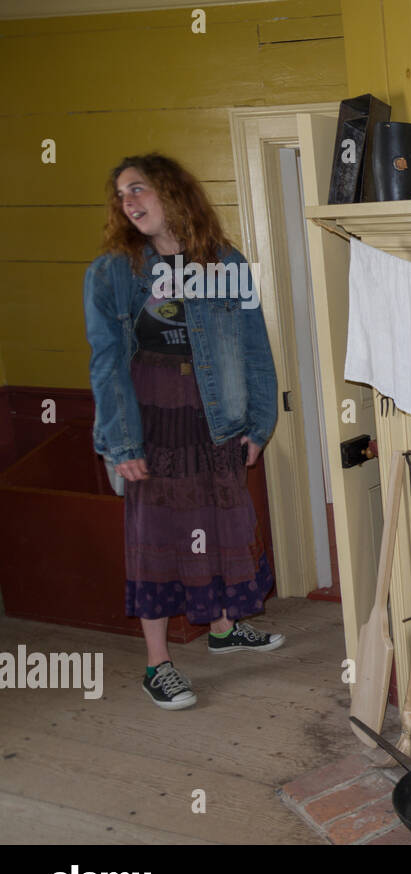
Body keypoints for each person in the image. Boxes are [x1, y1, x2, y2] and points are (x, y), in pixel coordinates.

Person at [84, 153, 284, 710]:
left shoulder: (225, 262)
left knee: (220, 518)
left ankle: (223, 629)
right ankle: (158, 664)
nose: (129, 202)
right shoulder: (112, 271)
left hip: (217, 413)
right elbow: (105, 363)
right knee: (157, 532)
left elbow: (254, 348)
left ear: (172, 194)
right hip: (152, 417)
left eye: (139, 188)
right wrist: (121, 443)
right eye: (122, 194)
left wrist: (259, 424)